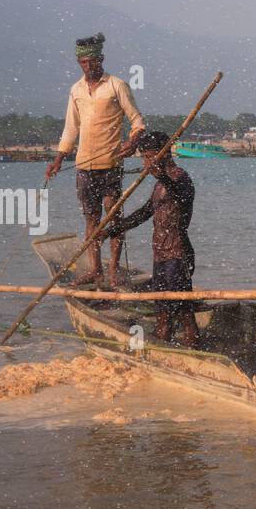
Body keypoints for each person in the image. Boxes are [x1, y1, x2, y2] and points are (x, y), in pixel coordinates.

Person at [46, 33, 145, 288]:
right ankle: (95, 270)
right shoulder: (76, 90)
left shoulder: (116, 85)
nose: (89, 66)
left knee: (113, 219)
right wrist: (58, 159)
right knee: (91, 220)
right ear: (79, 64)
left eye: (92, 61)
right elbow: (71, 128)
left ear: (101, 59)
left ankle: (113, 270)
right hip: (84, 167)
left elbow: (137, 122)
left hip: (110, 165)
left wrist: (132, 142)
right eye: (84, 63)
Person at [100, 132, 200, 348]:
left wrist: (161, 176)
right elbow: (143, 213)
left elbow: (181, 195)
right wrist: (110, 230)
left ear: (163, 154)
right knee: (162, 307)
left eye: (149, 157)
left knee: (183, 307)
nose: (146, 163)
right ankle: (163, 343)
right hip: (160, 254)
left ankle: (193, 347)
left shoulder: (180, 178)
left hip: (178, 252)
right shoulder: (158, 185)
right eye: (143, 158)